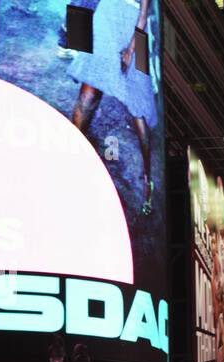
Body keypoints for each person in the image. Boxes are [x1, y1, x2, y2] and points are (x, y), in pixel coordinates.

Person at [69, 0, 158, 215]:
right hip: (107, 16)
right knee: (88, 93)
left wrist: (131, 49)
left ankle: (148, 181)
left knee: (139, 106)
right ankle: (70, 156)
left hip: (137, 32)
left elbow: (144, 15)